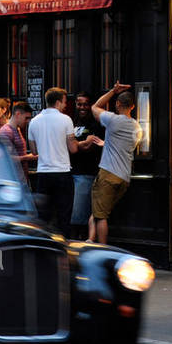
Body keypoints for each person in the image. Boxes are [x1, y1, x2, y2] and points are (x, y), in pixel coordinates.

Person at [26, 88, 99, 232]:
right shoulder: (66, 120)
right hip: (62, 173)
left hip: (43, 173)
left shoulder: (34, 122)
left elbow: (34, 151)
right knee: (64, 215)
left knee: (43, 215)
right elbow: (73, 148)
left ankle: (44, 245)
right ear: (58, 102)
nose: (66, 106)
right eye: (65, 102)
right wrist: (84, 142)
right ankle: (63, 246)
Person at [89, 82, 141, 244]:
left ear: (118, 104)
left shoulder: (113, 120)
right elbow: (126, 146)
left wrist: (113, 91)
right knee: (99, 211)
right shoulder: (137, 127)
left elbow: (95, 107)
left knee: (101, 216)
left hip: (108, 173)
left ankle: (102, 248)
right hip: (124, 176)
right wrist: (107, 144)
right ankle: (90, 239)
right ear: (132, 106)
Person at [70, 91, 105, 239]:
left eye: (85, 104)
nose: (82, 107)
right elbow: (71, 146)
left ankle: (80, 241)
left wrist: (76, 145)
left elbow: (90, 147)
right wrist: (81, 144)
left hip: (87, 172)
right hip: (71, 171)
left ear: (90, 105)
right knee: (73, 211)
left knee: (79, 212)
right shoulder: (72, 121)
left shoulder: (96, 124)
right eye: (79, 104)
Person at [0, 102, 37, 184]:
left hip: (20, 178)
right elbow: (5, 158)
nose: (27, 121)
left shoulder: (17, 129)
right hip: (12, 180)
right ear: (18, 114)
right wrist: (27, 157)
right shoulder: (6, 131)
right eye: (26, 118)